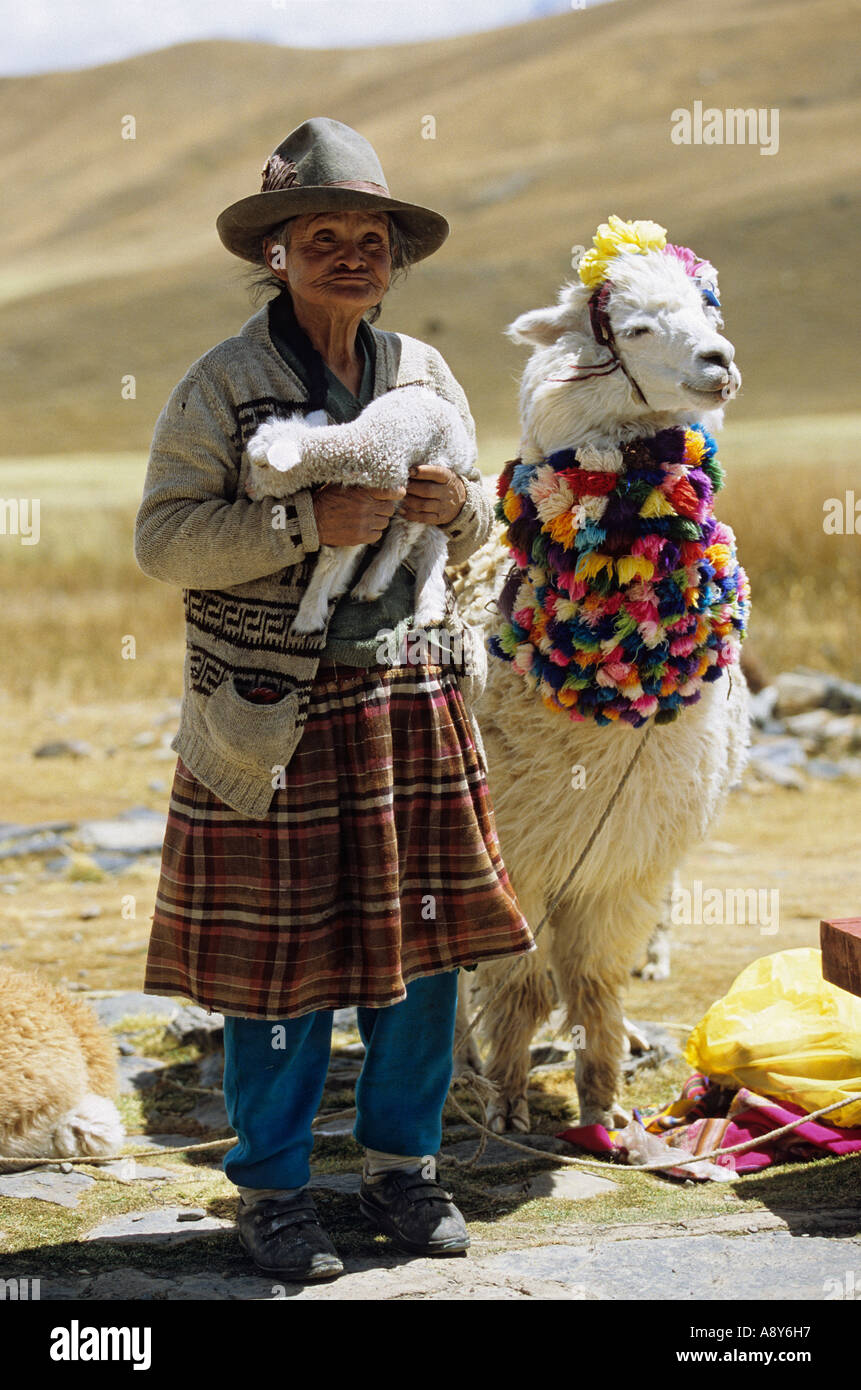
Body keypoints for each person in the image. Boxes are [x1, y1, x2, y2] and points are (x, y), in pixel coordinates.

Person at [134, 117, 534, 1282]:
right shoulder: (224, 385)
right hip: (270, 718)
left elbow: (479, 525)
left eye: (371, 236)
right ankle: (273, 1189)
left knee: (426, 954)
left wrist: (452, 505)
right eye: (324, 235)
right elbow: (164, 541)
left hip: (411, 703)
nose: (352, 253)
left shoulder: (424, 374)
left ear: (394, 257)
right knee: (282, 969)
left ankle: (403, 1170)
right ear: (278, 252)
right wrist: (302, 523)